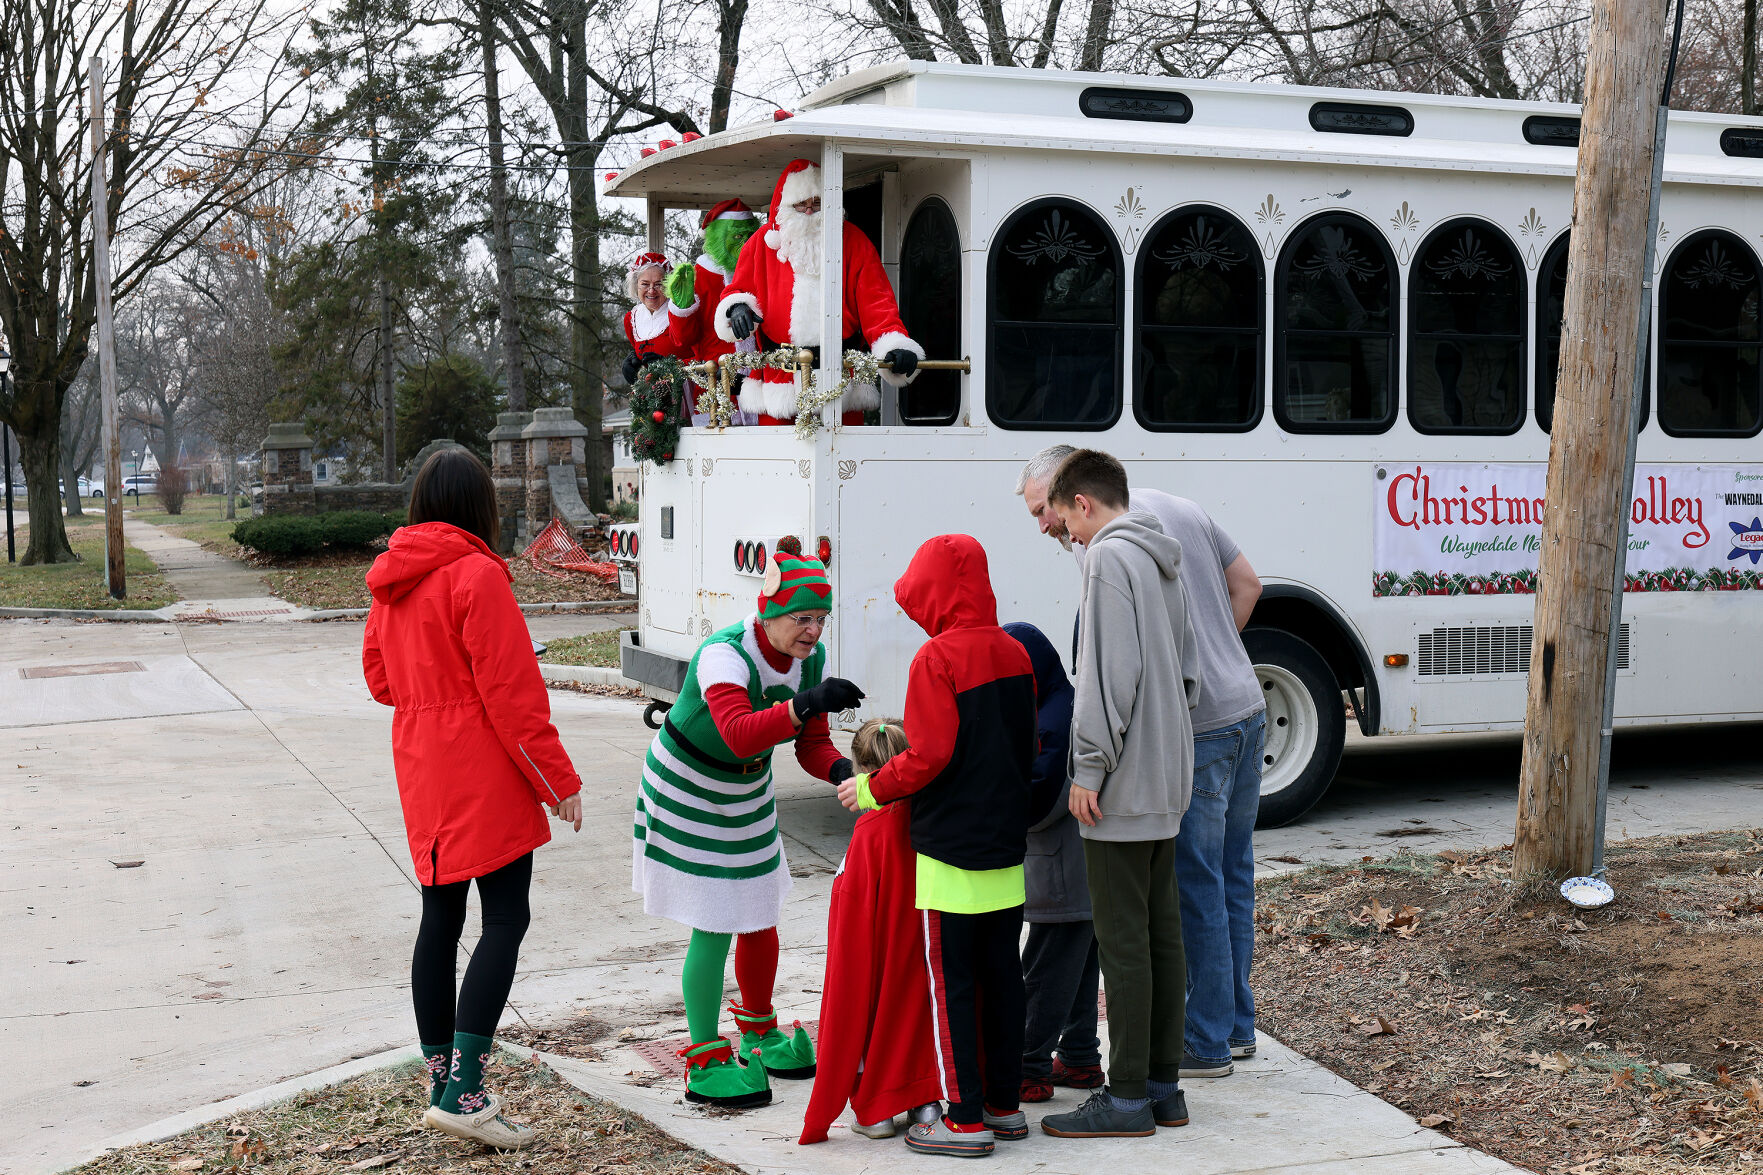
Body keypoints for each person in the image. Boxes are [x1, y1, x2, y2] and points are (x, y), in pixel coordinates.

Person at [1018, 444, 1268, 1076]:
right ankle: (1236, 1026)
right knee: (1233, 874)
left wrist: (1096, 762)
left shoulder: (1104, 545)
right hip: (1245, 706)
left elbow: (1113, 669)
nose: (1046, 528)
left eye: (1043, 511)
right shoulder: (1177, 509)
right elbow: (1250, 586)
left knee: (1192, 885)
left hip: (1198, 728)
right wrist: (1218, 658)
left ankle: (1205, 1041)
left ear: (1074, 492)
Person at [362, 448, 584, 1150]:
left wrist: (431, 696)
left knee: (440, 915)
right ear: (479, 507)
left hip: (422, 765)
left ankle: (441, 1079)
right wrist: (558, 781)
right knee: (505, 916)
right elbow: (513, 697)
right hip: (481, 766)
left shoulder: (391, 580)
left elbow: (379, 679)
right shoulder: (476, 574)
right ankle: (466, 1089)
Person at [631, 543, 864, 1108]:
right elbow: (738, 730)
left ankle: (759, 1031)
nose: (812, 629)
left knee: (760, 908)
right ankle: (705, 1059)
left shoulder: (811, 659)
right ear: (767, 613)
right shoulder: (724, 654)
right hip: (688, 786)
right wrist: (803, 703)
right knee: (713, 917)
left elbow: (810, 744)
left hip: (745, 788)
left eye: (819, 617)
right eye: (800, 617)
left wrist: (843, 773)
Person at [836, 534, 1037, 1159]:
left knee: (950, 988)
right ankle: (1005, 1107)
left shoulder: (936, 658)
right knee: (1004, 979)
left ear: (934, 594)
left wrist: (873, 789)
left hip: (949, 852)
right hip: (1007, 845)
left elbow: (930, 754)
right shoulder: (1016, 652)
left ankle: (961, 1119)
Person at [1038, 449, 1200, 1141]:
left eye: (1060, 516)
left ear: (1083, 502)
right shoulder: (1164, 554)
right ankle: (1163, 1087)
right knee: (1162, 935)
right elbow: (1188, 670)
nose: (1064, 534)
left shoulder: (1108, 557)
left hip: (1122, 783)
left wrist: (1089, 767)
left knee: (1122, 942)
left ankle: (1126, 1093)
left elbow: (1107, 674)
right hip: (1168, 773)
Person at [800, 717, 943, 1145]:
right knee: (916, 1012)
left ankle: (875, 1109)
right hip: (920, 947)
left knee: (869, 1011)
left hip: (874, 949)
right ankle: (924, 1099)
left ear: (860, 772)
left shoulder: (870, 830)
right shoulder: (929, 818)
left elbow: (851, 905)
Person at [714, 158, 924, 425]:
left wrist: (894, 345)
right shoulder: (761, 243)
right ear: (785, 206)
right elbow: (738, 289)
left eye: (817, 202)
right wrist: (737, 307)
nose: (810, 211)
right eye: (801, 204)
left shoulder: (854, 241)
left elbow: (877, 303)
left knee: (845, 462)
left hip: (840, 378)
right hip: (778, 382)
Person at [1002, 621, 1103, 1104]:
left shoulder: (1050, 724)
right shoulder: (1067, 704)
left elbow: (1038, 801)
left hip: (1059, 868)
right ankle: (1080, 1057)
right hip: (1086, 868)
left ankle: (1027, 1066)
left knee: (1043, 972)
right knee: (1078, 966)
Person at [666, 199, 761, 425]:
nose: (746, 244)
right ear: (717, 238)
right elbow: (683, 341)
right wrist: (682, 307)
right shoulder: (698, 276)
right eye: (737, 237)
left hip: (761, 385)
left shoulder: (761, 271)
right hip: (716, 389)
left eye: (750, 236)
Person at [620, 251, 695, 390]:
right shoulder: (632, 318)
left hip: (683, 394)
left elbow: (700, 358)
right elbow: (638, 354)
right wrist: (630, 360)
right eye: (645, 284)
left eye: (658, 284)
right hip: (649, 398)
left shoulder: (681, 313)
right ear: (636, 285)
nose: (651, 290)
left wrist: (670, 366)